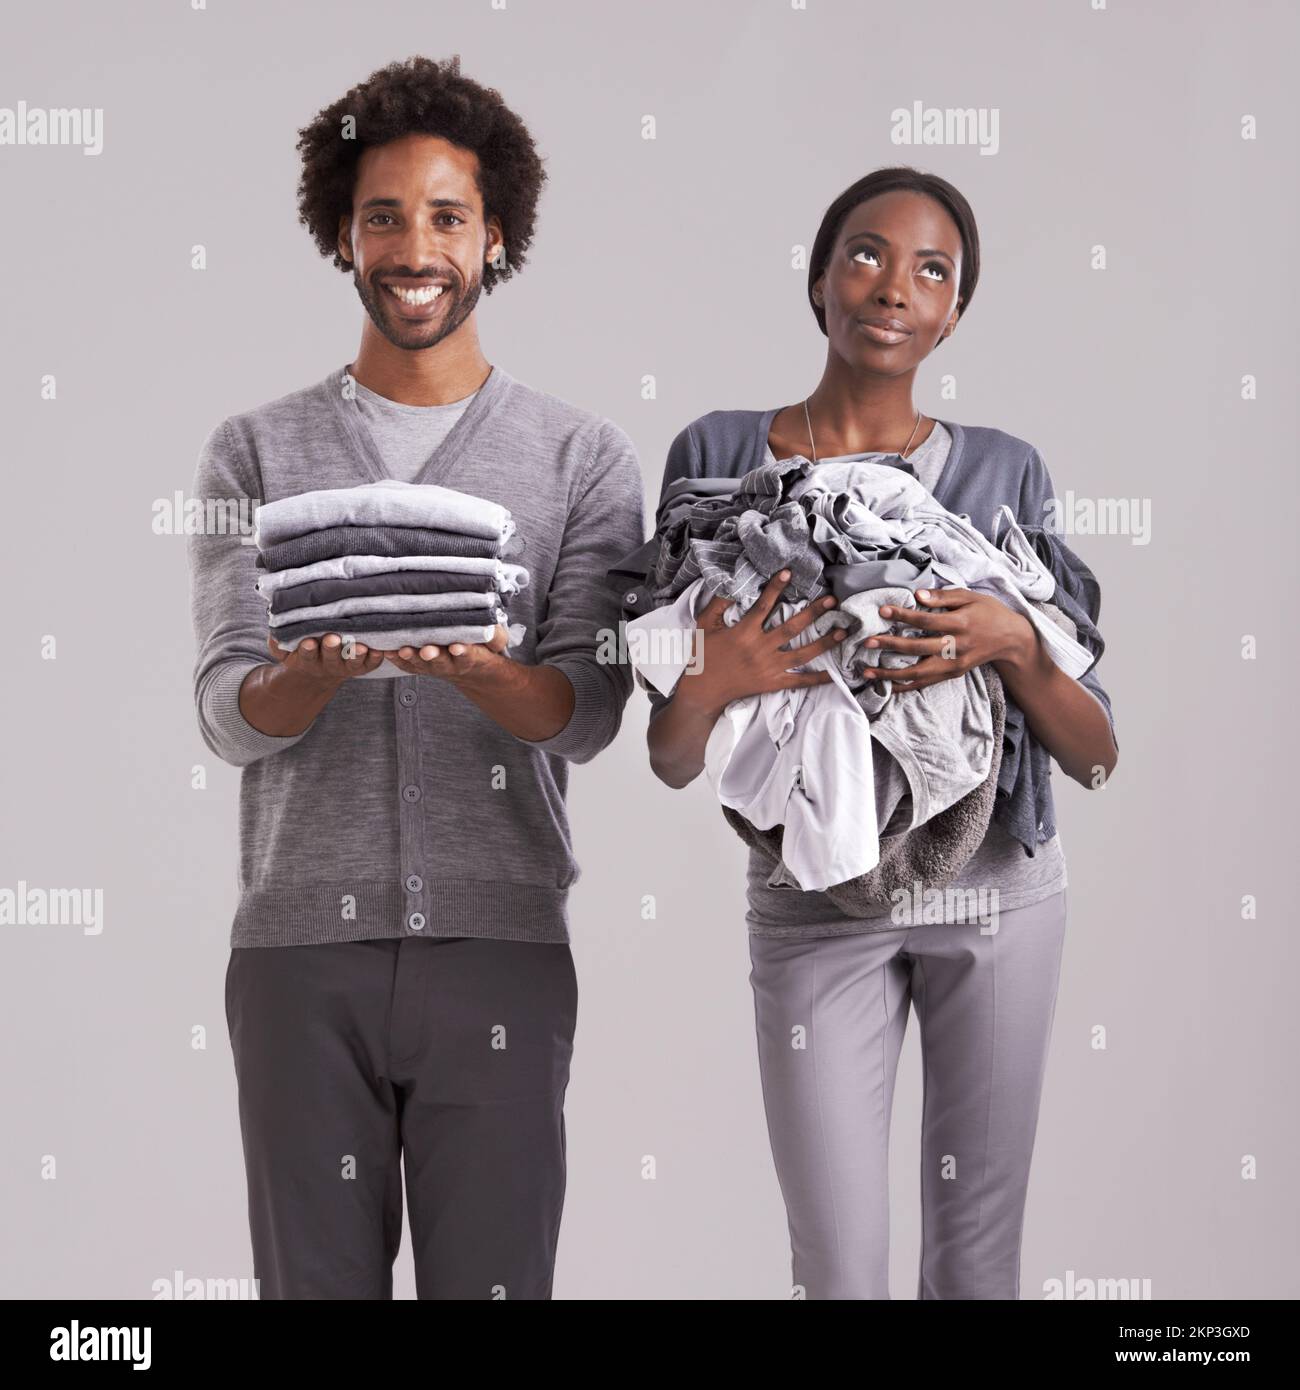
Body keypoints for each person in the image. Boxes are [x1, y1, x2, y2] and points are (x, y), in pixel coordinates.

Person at [187, 55, 645, 1299]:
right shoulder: (257, 450)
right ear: (343, 232)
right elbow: (229, 708)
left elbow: (591, 713)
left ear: (495, 239)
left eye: (448, 216)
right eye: (383, 215)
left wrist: (487, 675)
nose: (414, 246)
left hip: (497, 943)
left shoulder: (580, 457)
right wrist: (313, 673)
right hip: (297, 959)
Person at [644, 167, 1119, 1299]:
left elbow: (1096, 753)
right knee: (839, 1269)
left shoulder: (1005, 470)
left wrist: (1012, 640)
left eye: (931, 269)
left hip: (997, 891)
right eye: (865, 253)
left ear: (953, 311)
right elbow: (668, 755)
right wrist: (714, 681)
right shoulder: (716, 457)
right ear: (818, 281)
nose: (894, 286)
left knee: (975, 1262)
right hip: (816, 898)